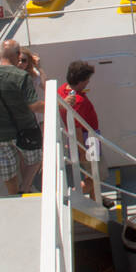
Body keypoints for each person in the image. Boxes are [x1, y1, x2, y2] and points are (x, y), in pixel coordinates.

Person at [0, 40, 45, 196]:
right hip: (25, 130)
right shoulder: (21, 76)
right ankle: (25, 188)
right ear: (18, 55)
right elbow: (34, 106)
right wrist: (55, 106)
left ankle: (14, 198)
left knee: (8, 172)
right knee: (36, 159)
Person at [58, 61, 101, 199]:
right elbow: (76, 128)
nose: (88, 82)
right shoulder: (78, 100)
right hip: (89, 140)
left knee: (92, 173)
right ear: (81, 80)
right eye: (87, 79)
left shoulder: (64, 89)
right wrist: (82, 151)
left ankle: (96, 200)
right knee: (95, 175)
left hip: (86, 138)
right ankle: (72, 197)